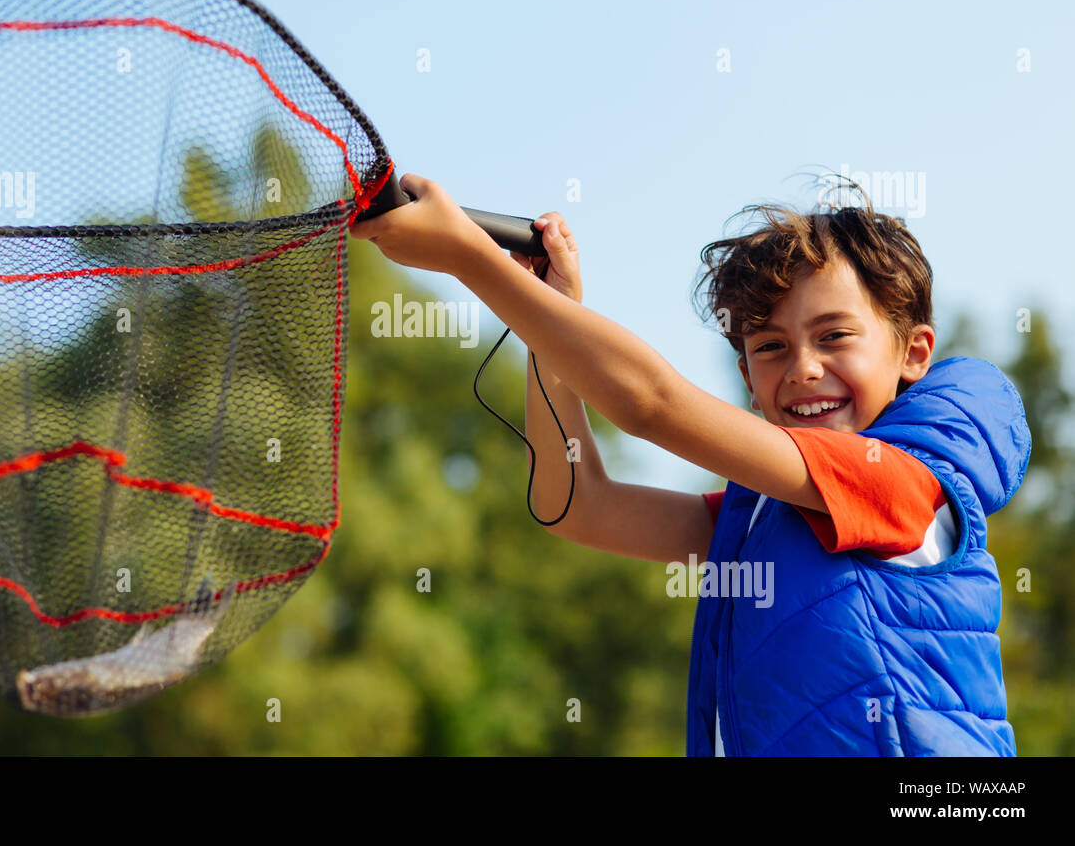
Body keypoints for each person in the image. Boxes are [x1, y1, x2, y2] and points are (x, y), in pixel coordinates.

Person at [349, 173, 1030, 755]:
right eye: (770, 347)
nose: (804, 369)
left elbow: (650, 403)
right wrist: (547, 318)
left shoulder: (895, 482)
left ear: (914, 353)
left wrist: (471, 261)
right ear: (746, 372)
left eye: (834, 336)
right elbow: (579, 504)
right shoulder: (759, 515)